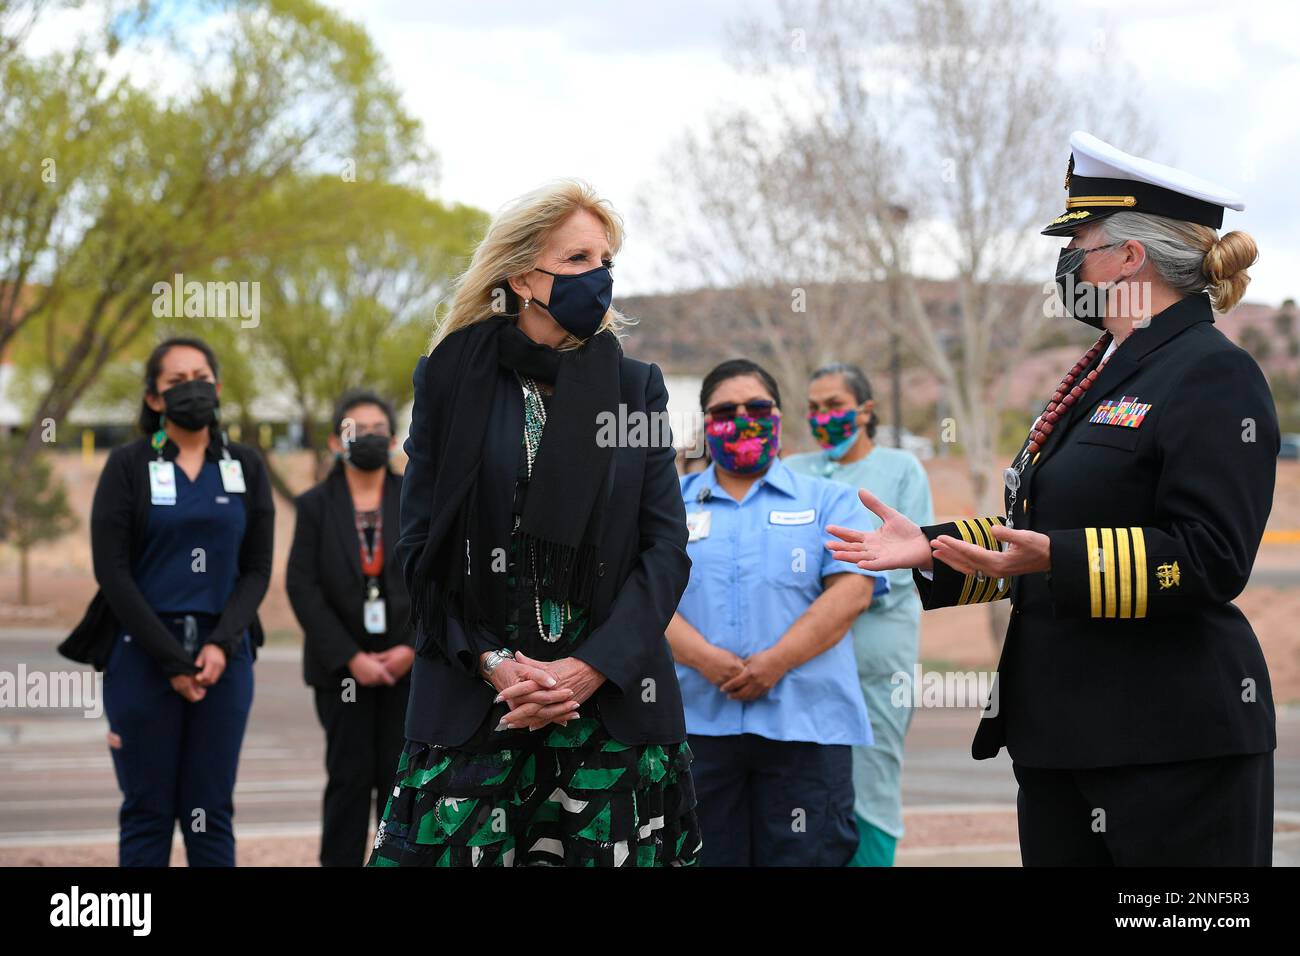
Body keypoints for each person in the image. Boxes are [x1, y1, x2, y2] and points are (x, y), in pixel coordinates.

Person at [827, 131, 1278, 866]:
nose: (1066, 260)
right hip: (1063, 739)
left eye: (1079, 241)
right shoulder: (1105, 368)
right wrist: (933, 545)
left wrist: (1059, 559)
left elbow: (1212, 557)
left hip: (1168, 745)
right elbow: (1045, 530)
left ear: (1130, 258)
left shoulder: (1210, 374)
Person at [367, 180, 702, 867]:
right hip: (477, 700)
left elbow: (665, 548)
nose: (599, 277)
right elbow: (418, 550)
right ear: (523, 275)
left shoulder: (635, 388)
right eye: (578, 259)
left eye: (606, 260)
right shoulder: (448, 381)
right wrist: (493, 664)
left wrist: (587, 670)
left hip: (609, 714)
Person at [60, 336, 274, 866]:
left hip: (224, 657)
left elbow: (257, 569)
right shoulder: (129, 465)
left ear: (218, 388)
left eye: (200, 377)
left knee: (210, 813)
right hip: (141, 656)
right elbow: (112, 572)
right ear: (154, 399)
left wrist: (221, 646)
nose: (191, 390)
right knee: (147, 812)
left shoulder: (245, 465)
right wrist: (171, 661)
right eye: (176, 382)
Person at [668, 359, 888, 866]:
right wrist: (704, 659)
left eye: (756, 407)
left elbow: (851, 593)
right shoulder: (668, 507)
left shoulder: (833, 502)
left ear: (778, 418)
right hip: (697, 728)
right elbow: (644, 599)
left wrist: (776, 662)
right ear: (705, 423)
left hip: (805, 729)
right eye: (725, 410)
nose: (742, 416)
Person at [785, 363, 934, 866]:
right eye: (814, 407)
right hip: (803, 658)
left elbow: (914, 562)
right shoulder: (793, 472)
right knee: (804, 786)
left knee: (871, 782)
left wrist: (834, 586)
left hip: (876, 659)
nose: (822, 416)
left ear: (866, 410)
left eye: (835, 406)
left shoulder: (901, 469)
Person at [287, 389, 413, 867]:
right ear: (335, 443)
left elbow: (439, 579)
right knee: (349, 777)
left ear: (394, 438)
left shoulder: (416, 495)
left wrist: (412, 649)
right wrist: (350, 657)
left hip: (408, 667)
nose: (368, 440)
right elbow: (303, 587)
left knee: (400, 778)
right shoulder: (315, 505)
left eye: (379, 431)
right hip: (342, 670)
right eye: (356, 432)